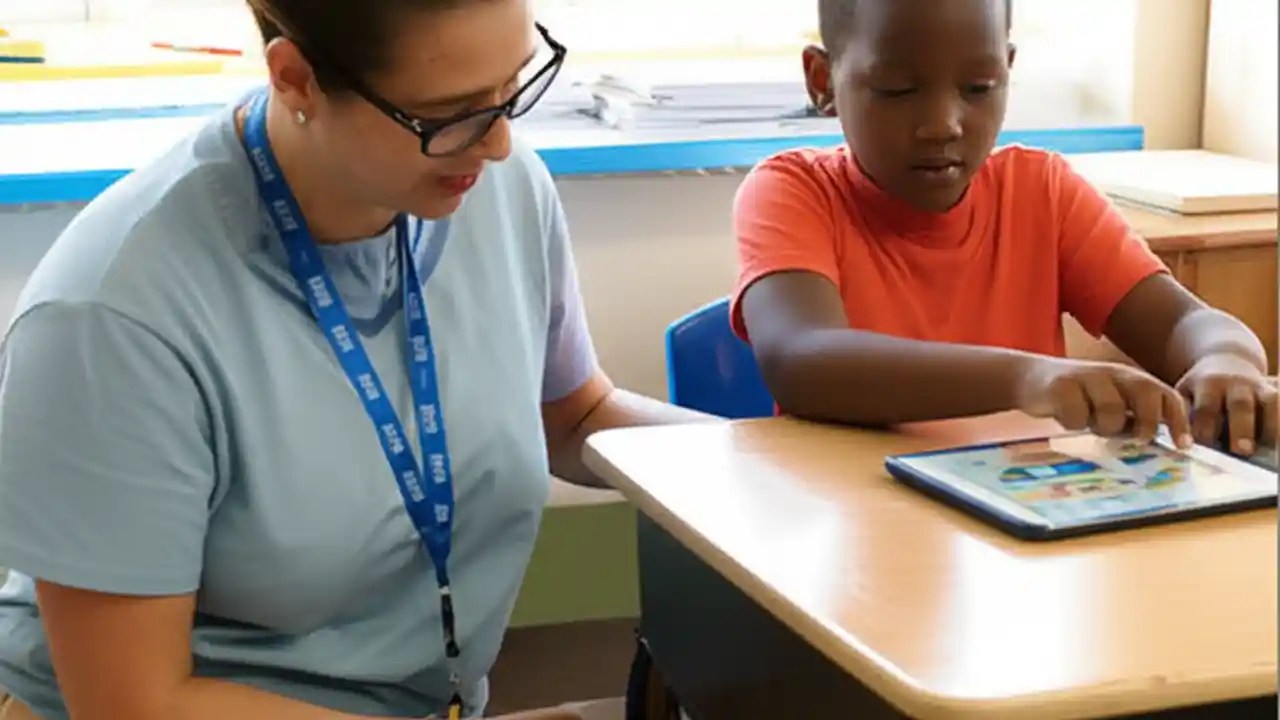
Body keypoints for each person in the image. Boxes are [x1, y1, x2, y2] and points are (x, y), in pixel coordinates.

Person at [0, 1, 711, 718]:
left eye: (514, 86)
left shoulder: (499, 187)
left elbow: (573, 415)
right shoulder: (112, 318)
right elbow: (136, 703)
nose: (497, 142)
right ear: (296, 79)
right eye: (449, 113)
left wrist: (761, 462)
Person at [732, 0, 1277, 454]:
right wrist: (1027, 379)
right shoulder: (793, 191)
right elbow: (799, 359)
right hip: (857, 526)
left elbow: (1186, 322)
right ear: (823, 80)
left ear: (1007, 71)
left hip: (1025, 528)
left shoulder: (1043, 190)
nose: (942, 124)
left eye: (978, 87)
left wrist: (1226, 358)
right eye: (897, 90)